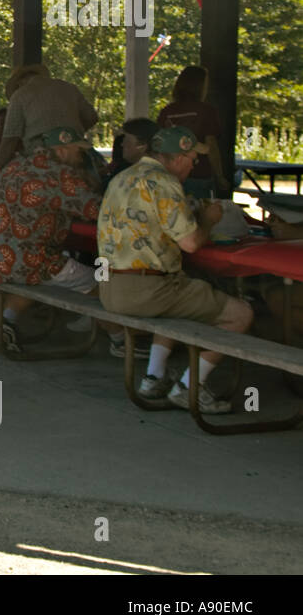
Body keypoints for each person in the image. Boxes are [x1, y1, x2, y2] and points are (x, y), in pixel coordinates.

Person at [96, 126, 254, 414]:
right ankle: (188, 387)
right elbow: (192, 243)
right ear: (179, 157)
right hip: (146, 290)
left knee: (180, 289)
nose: (194, 165)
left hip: (109, 287)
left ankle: (153, 377)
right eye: (193, 159)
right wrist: (207, 219)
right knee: (240, 314)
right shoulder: (163, 181)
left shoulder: (122, 177)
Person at [0, 126, 102, 348]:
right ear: (63, 150)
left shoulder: (14, 165)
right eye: (78, 151)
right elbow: (98, 211)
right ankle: (122, 341)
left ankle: (4, 324)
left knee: (36, 274)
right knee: (103, 284)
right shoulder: (61, 175)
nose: (81, 156)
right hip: (28, 260)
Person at [0, 64, 98, 169]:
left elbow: (9, 140)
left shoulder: (20, 95)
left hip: (41, 158)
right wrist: (71, 134)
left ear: (19, 82)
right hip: (75, 154)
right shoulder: (70, 88)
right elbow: (92, 117)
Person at [158, 65, 229, 198]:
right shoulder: (206, 111)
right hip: (200, 175)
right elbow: (211, 146)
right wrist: (219, 176)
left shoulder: (167, 111)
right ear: (200, 86)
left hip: (171, 174)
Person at [103, 118, 161, 193]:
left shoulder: (125, 178)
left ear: (142, 145)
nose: (122, 144)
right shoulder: (169, 178)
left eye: (126, 140)